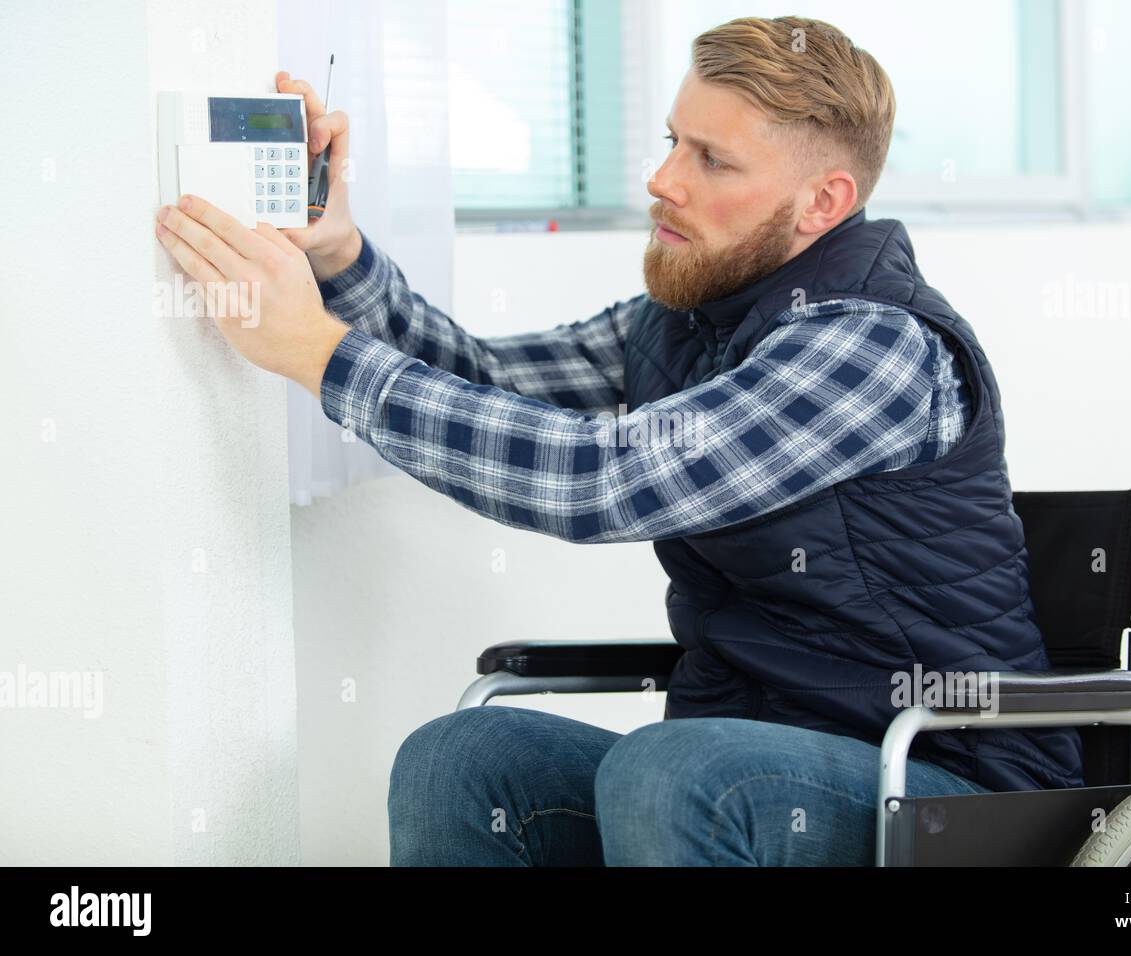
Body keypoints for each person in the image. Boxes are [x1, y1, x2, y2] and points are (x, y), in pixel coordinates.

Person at [277, 14, 1085, 866]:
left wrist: (317, 355)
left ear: (824, 202)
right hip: (742, 763)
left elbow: (603, 482)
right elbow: (481, 380)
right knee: (461, 758)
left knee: (676, 771)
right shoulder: (684, 322)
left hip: (938, 781)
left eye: (712, 160)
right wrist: (340, 259)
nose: (662, 180)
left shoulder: (875, 350)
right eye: (672, 141)